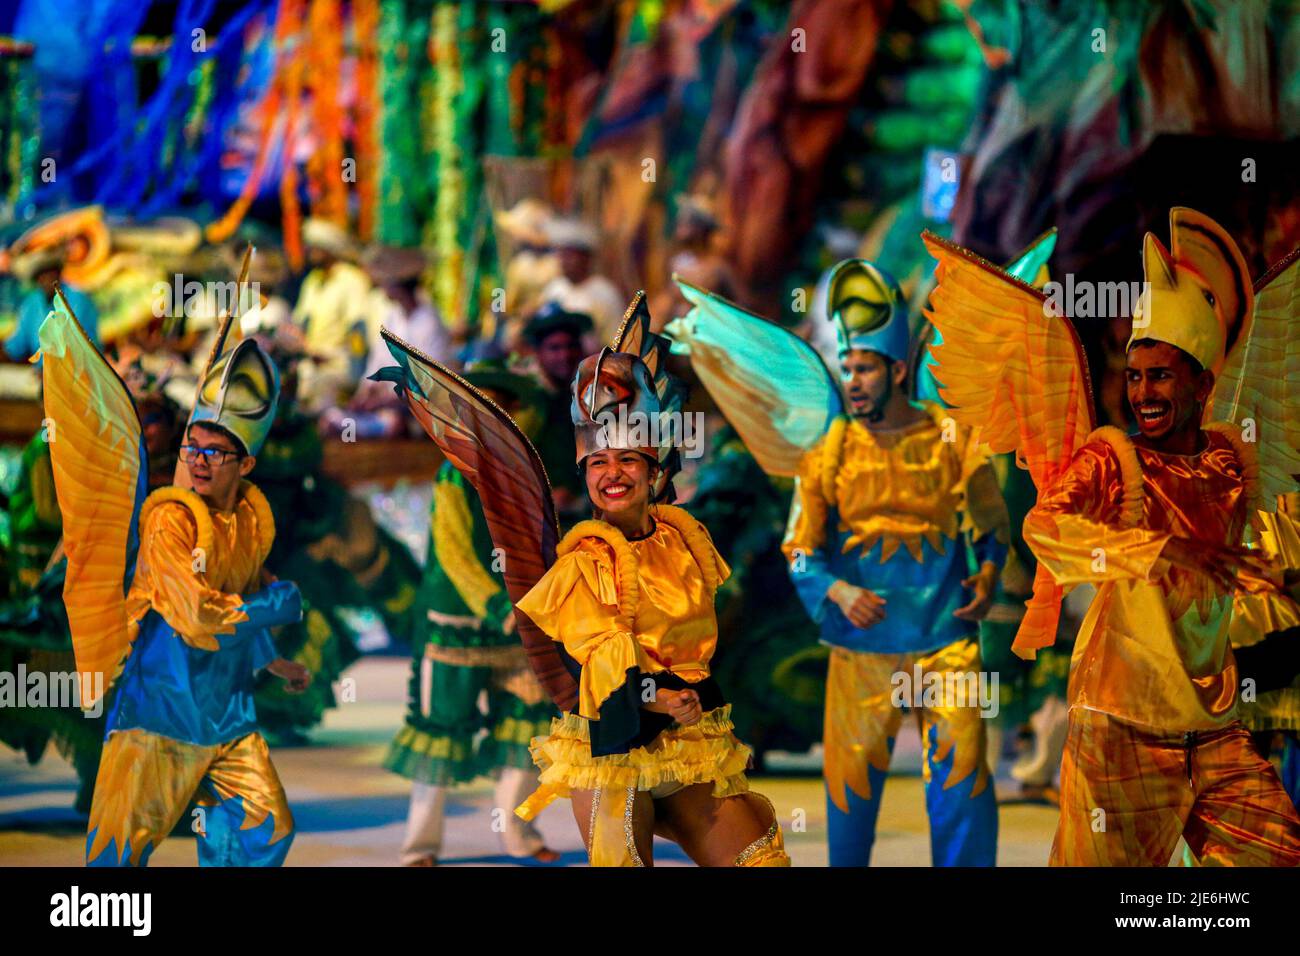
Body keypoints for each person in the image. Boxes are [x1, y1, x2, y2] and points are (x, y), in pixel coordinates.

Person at [924, 209, 1300, 866]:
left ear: (1204, 383)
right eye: (1134, 376)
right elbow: (1047, 527)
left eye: (1160, 375)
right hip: (1120, 724)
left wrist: (1266, 573)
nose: (1143, 392)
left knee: (1275, 852)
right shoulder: (1110, 459)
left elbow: (1256, 538)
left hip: (1212, 727)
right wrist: (1155, 550)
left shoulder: (1230, 462)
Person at [376, 294, 790, 866]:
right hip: (612, 751)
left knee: (761, 860)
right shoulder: (583, 561)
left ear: (656, 472)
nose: (611, 474)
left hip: (690, 749)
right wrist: (660, 695)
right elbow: (601, 682)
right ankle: (422, 845)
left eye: (627, 461)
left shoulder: (682, 537)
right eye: (598, 463)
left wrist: (690, 696)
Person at [39, 316, 312, 867]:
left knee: (266, 832)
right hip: (157, 716)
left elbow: (235, 592)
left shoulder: (250, 521)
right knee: (116, 861)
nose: (200, 460)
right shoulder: (168, 521)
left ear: (247, 464)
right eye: (195, 448)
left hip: (227, 718)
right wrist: (274, 606)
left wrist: (273, 660)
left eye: (216, 452)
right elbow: (198, 616)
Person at [779, 260, 1006, 866]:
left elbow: (991, 527)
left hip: (946, 634)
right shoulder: (829, 448)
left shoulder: (953, 436)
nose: (851, 381)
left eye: (864, 368)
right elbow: (799, 551)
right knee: (849, 789)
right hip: (861, 641)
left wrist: (988, 574)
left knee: (963, 772)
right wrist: (834, 591)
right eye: (846, 367)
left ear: (898, 370)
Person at [386, 361, 559, 865]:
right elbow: (454, 552)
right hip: (456, 625)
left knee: (528, 726)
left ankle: (519, 835)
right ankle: (420, 846)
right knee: (439, 730)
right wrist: (495, 605)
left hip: (518, 622)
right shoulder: (453, 473)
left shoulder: (528, 474)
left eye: (496, 409)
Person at [520, 301, 593, 521]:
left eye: (571, 346)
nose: (565, 355)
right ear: (538, 353)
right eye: (554, 348)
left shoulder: (591, 399)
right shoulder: (526, 404)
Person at [292, 218, 372, 411]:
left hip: (340, 362)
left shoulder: (351, 279)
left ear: (328, 250)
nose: (309, 253)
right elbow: (301, 323)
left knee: (319, 383)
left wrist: (356, 375)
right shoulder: (312, 281)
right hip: (310, 360)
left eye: (314, 248)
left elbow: (357, 330)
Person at [538, 218, 625, 344]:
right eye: (561, 255)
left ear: (586, 258)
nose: (563, 261)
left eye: (569, 255)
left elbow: (616, 342)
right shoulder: (554, 289)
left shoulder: (605, 293)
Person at [4, 245, 99, 361]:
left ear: (59, 274)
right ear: (37, 280)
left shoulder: (78, 300)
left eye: (51, 273)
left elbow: (78, 345)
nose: (47, 279)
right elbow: (17, 346)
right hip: (44, 374)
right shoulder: (31, 304)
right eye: (42, 275)